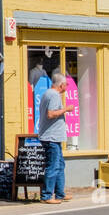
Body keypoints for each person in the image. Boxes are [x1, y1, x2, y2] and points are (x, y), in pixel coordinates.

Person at [37, 70, 73, 204]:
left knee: (59, 165)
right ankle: (46, 196)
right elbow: (50, 114)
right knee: (53, 166)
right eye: (66, 85)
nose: (66, 87)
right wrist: (66, 109)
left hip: (53, 137)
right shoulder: (54, 95)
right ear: (61, 85)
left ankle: (60, 193)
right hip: (51, 137)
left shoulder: (47, 93)